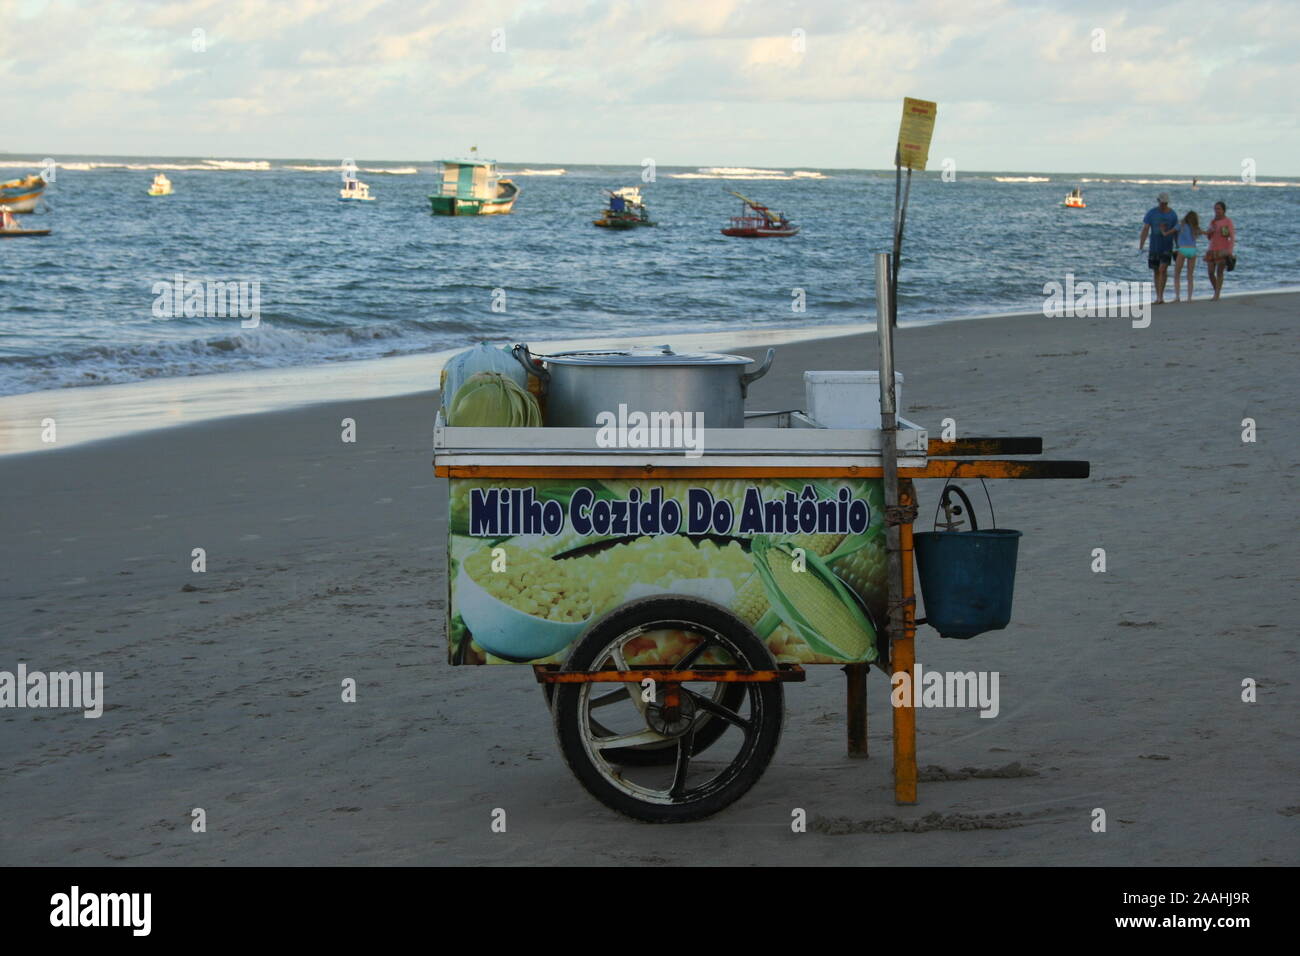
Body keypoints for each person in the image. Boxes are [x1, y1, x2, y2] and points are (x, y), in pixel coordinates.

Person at [1139, 192, 1178, 305]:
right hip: (1154, 247)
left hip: (1167, 246)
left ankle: (1161, 296)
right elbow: (1146, 229)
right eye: (1161, 203)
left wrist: (1178, 246)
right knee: (1156, 271)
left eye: (1165, 203)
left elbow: (1176, 231)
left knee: (1163, 270)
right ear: (1158, 202)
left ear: (1167, 203)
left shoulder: (1172, 215)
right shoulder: (1152, 213)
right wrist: (1141, 244)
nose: (1163, 205)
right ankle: (1158, 296)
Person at [1204, 200, 1236, 301]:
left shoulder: (1227, 221)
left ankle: (1216, 294)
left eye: (1219, 209)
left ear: (1223, 210)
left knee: (1219, 272)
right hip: (1212, 249)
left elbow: (1231, 237)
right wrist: (1210, 232)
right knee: (1210, 272)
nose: (1217, 211)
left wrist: (1229, 251)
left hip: (1223, 250)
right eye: (1215, 209)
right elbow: (1209, 237)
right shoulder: (1213, 221)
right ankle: (1216, 290)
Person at [1172, 211, 1203, 302]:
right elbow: (1204, 233)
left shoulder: (1181, 225)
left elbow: (1171, 232)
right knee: (1190, 275)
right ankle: (1189, 297)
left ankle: (1177, 296)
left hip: (1182, 250)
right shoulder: (1195, 228)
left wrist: (1163, 230)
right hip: (1192, 250)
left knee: (1177, 273)